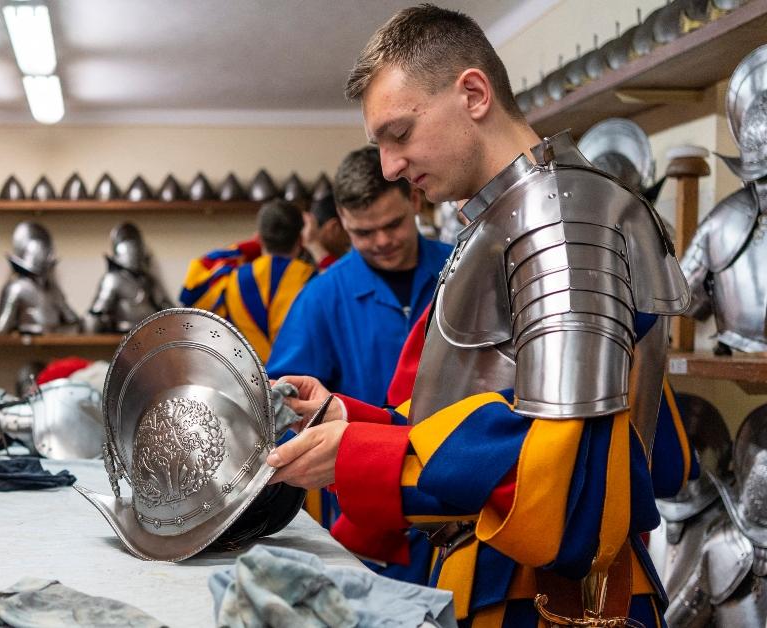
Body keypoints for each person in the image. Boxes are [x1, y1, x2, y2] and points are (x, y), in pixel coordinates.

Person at [267, 5, 692, 626]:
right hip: (495, 581)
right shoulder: (504, 223)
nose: (390, 167)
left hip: (555, 602)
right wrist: (347, 419)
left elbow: (566, 481)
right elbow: (471, 408)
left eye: (399, 133)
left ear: (473, 94)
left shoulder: (560, 222)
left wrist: (359, 454)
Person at [266, 147, 451, 546]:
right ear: (342, 221)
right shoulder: (321, 298)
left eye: (393, 224)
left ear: (414, 200)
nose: (382, 241)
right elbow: (281, 406)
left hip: (458, 493)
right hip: (368, 515)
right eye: (364, 233)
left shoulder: (459, 271)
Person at [179, 200, 316, 361]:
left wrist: (253, 244)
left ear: (259, 238)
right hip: (300, 373)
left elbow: (191, 293)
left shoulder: (232, 278)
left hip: (249, 372)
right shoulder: (313, 278)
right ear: (301, 239)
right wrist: (314, 244)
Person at [303, 194, 351, 270]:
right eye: (348, 229)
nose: (350, 238)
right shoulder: (304, 267)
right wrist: (313, 245)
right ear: (335, 227)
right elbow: (339, 276)